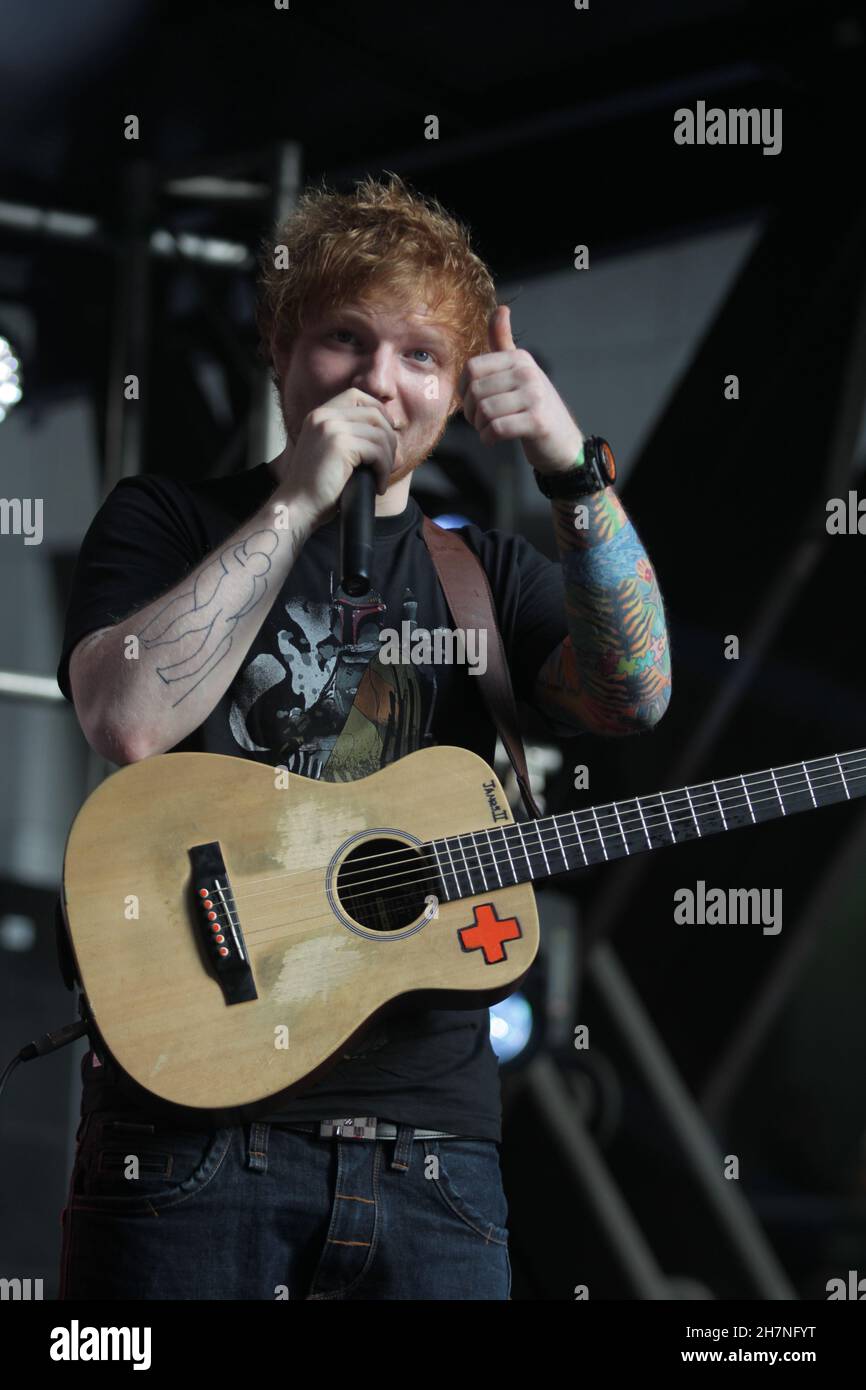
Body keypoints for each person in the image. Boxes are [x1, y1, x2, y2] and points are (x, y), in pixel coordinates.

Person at [56, 173, 671, 1300]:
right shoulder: (165, 520)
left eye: (420, 357)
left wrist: (567, 470)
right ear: (283, 351)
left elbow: (632, 696)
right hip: (188, 1142)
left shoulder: (484, 578)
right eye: (345, 340)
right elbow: (125, 718)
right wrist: (294, 499)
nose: (380, 383)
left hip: (434, 1165)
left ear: (456, 389)